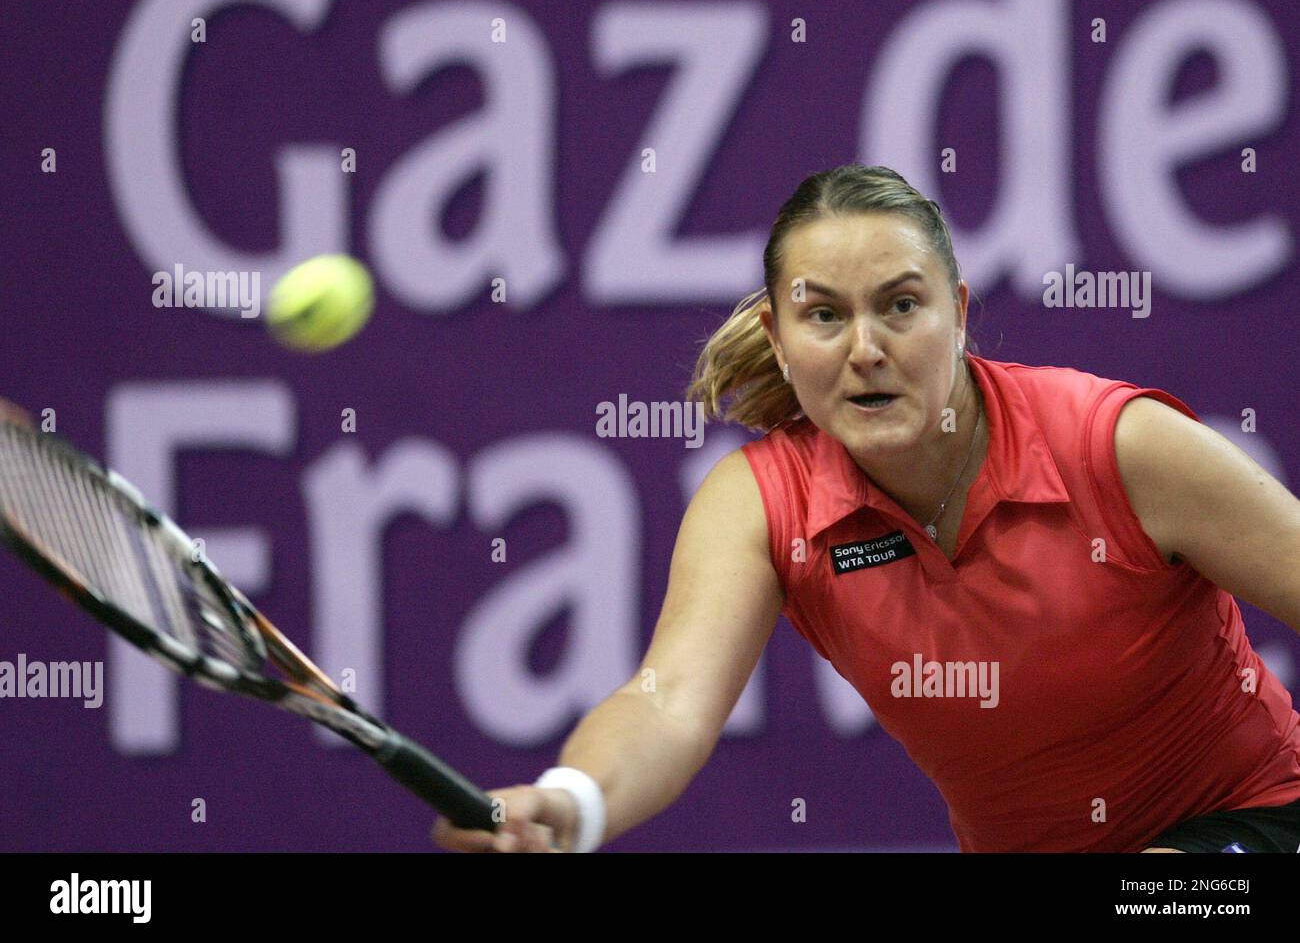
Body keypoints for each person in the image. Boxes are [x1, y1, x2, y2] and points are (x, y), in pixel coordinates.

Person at [434, 164, 1300, 853]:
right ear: (777, 336)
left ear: (957, 315)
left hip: (1261, 820)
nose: (866, 350)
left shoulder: (1117, 448)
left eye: (901, 305)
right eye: (823, 316)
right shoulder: (761, 506)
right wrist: (572, 802)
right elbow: (668, 704)